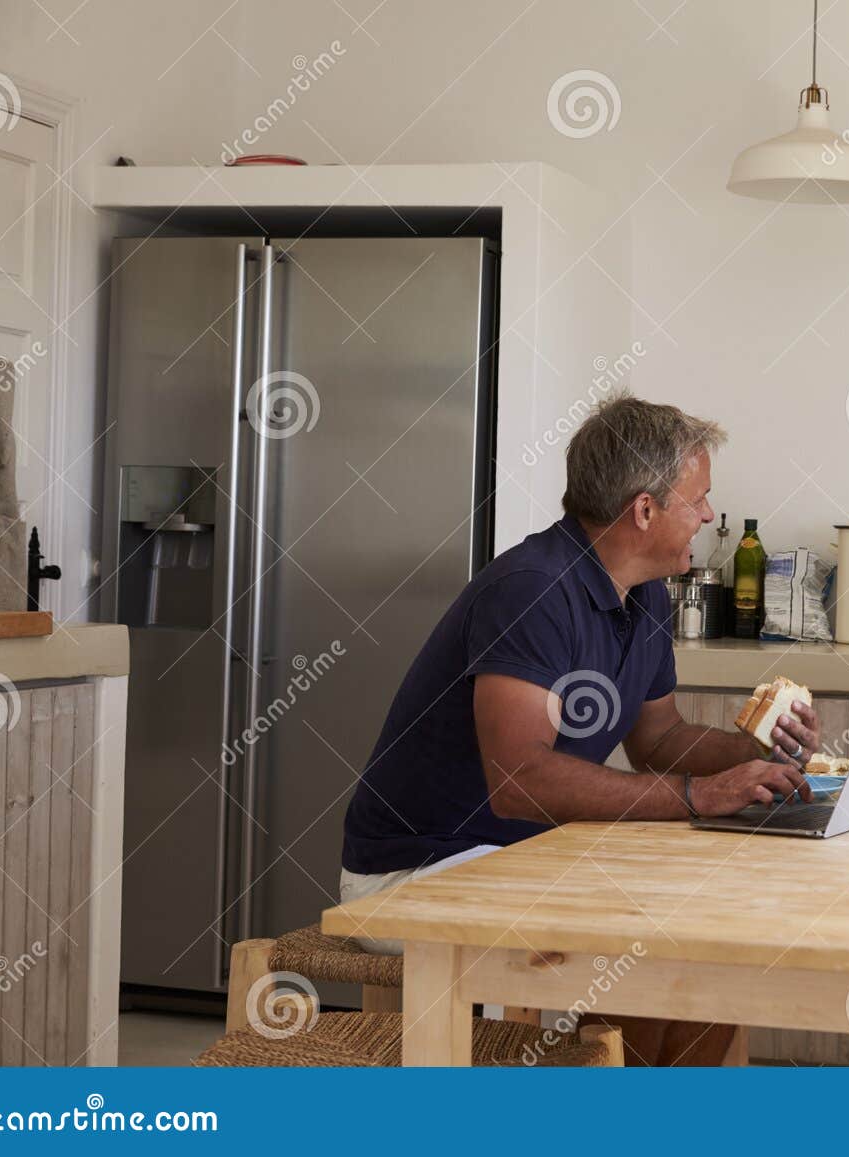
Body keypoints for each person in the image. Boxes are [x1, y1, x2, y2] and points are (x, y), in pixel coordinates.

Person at [339, 393, 821, 1066]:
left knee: (699, 919)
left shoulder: (646, 593)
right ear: (645, 510)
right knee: (637, 933)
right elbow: (519, 781)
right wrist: (697, 795)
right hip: (420, 869)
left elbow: (659, 740)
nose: (709, 515)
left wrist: (758, 754)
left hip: (519, 852)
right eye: (699, 499)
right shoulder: (532, 590)